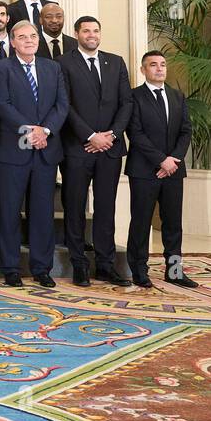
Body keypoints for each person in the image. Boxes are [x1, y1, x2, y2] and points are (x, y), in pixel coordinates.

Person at [0, 20, 68, 287]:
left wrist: (44, 131)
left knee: (42, 212)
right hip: (14, 150)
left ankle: (41, 268)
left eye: (33, 36)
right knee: (10, 211)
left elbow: (62, 105)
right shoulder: (2, 68)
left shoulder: (53, 67)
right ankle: (11, 268)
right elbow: (3, 104)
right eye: (22, 37)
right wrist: (30, 130)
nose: (29, 40)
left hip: (45, 150)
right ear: (12, 42)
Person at [59, 17, 131, 286]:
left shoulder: (116, 62)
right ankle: (79, 263)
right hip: (78, 147)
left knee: (105, 207)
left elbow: (126, 103)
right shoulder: (64, 63)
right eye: (86, 30)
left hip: (110, 149)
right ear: (76, 34)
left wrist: (110, 135)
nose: (91, 35)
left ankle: (105, 264)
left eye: (96, 30)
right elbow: (65, 105)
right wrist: (90, 136)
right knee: (75, 206)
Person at [125, 51, 196, 289]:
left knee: (173, 223)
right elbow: (135, 133)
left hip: (173, 171)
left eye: (162, 65)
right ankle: (139, 270)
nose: (159, 69)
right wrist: (160, 161)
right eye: (153, 65)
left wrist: (173, 160)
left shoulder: (177, 96)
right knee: (141, 222)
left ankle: (174, 272)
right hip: (144, 170)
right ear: (143, 69)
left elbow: (186, 131)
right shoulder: (134, 96)